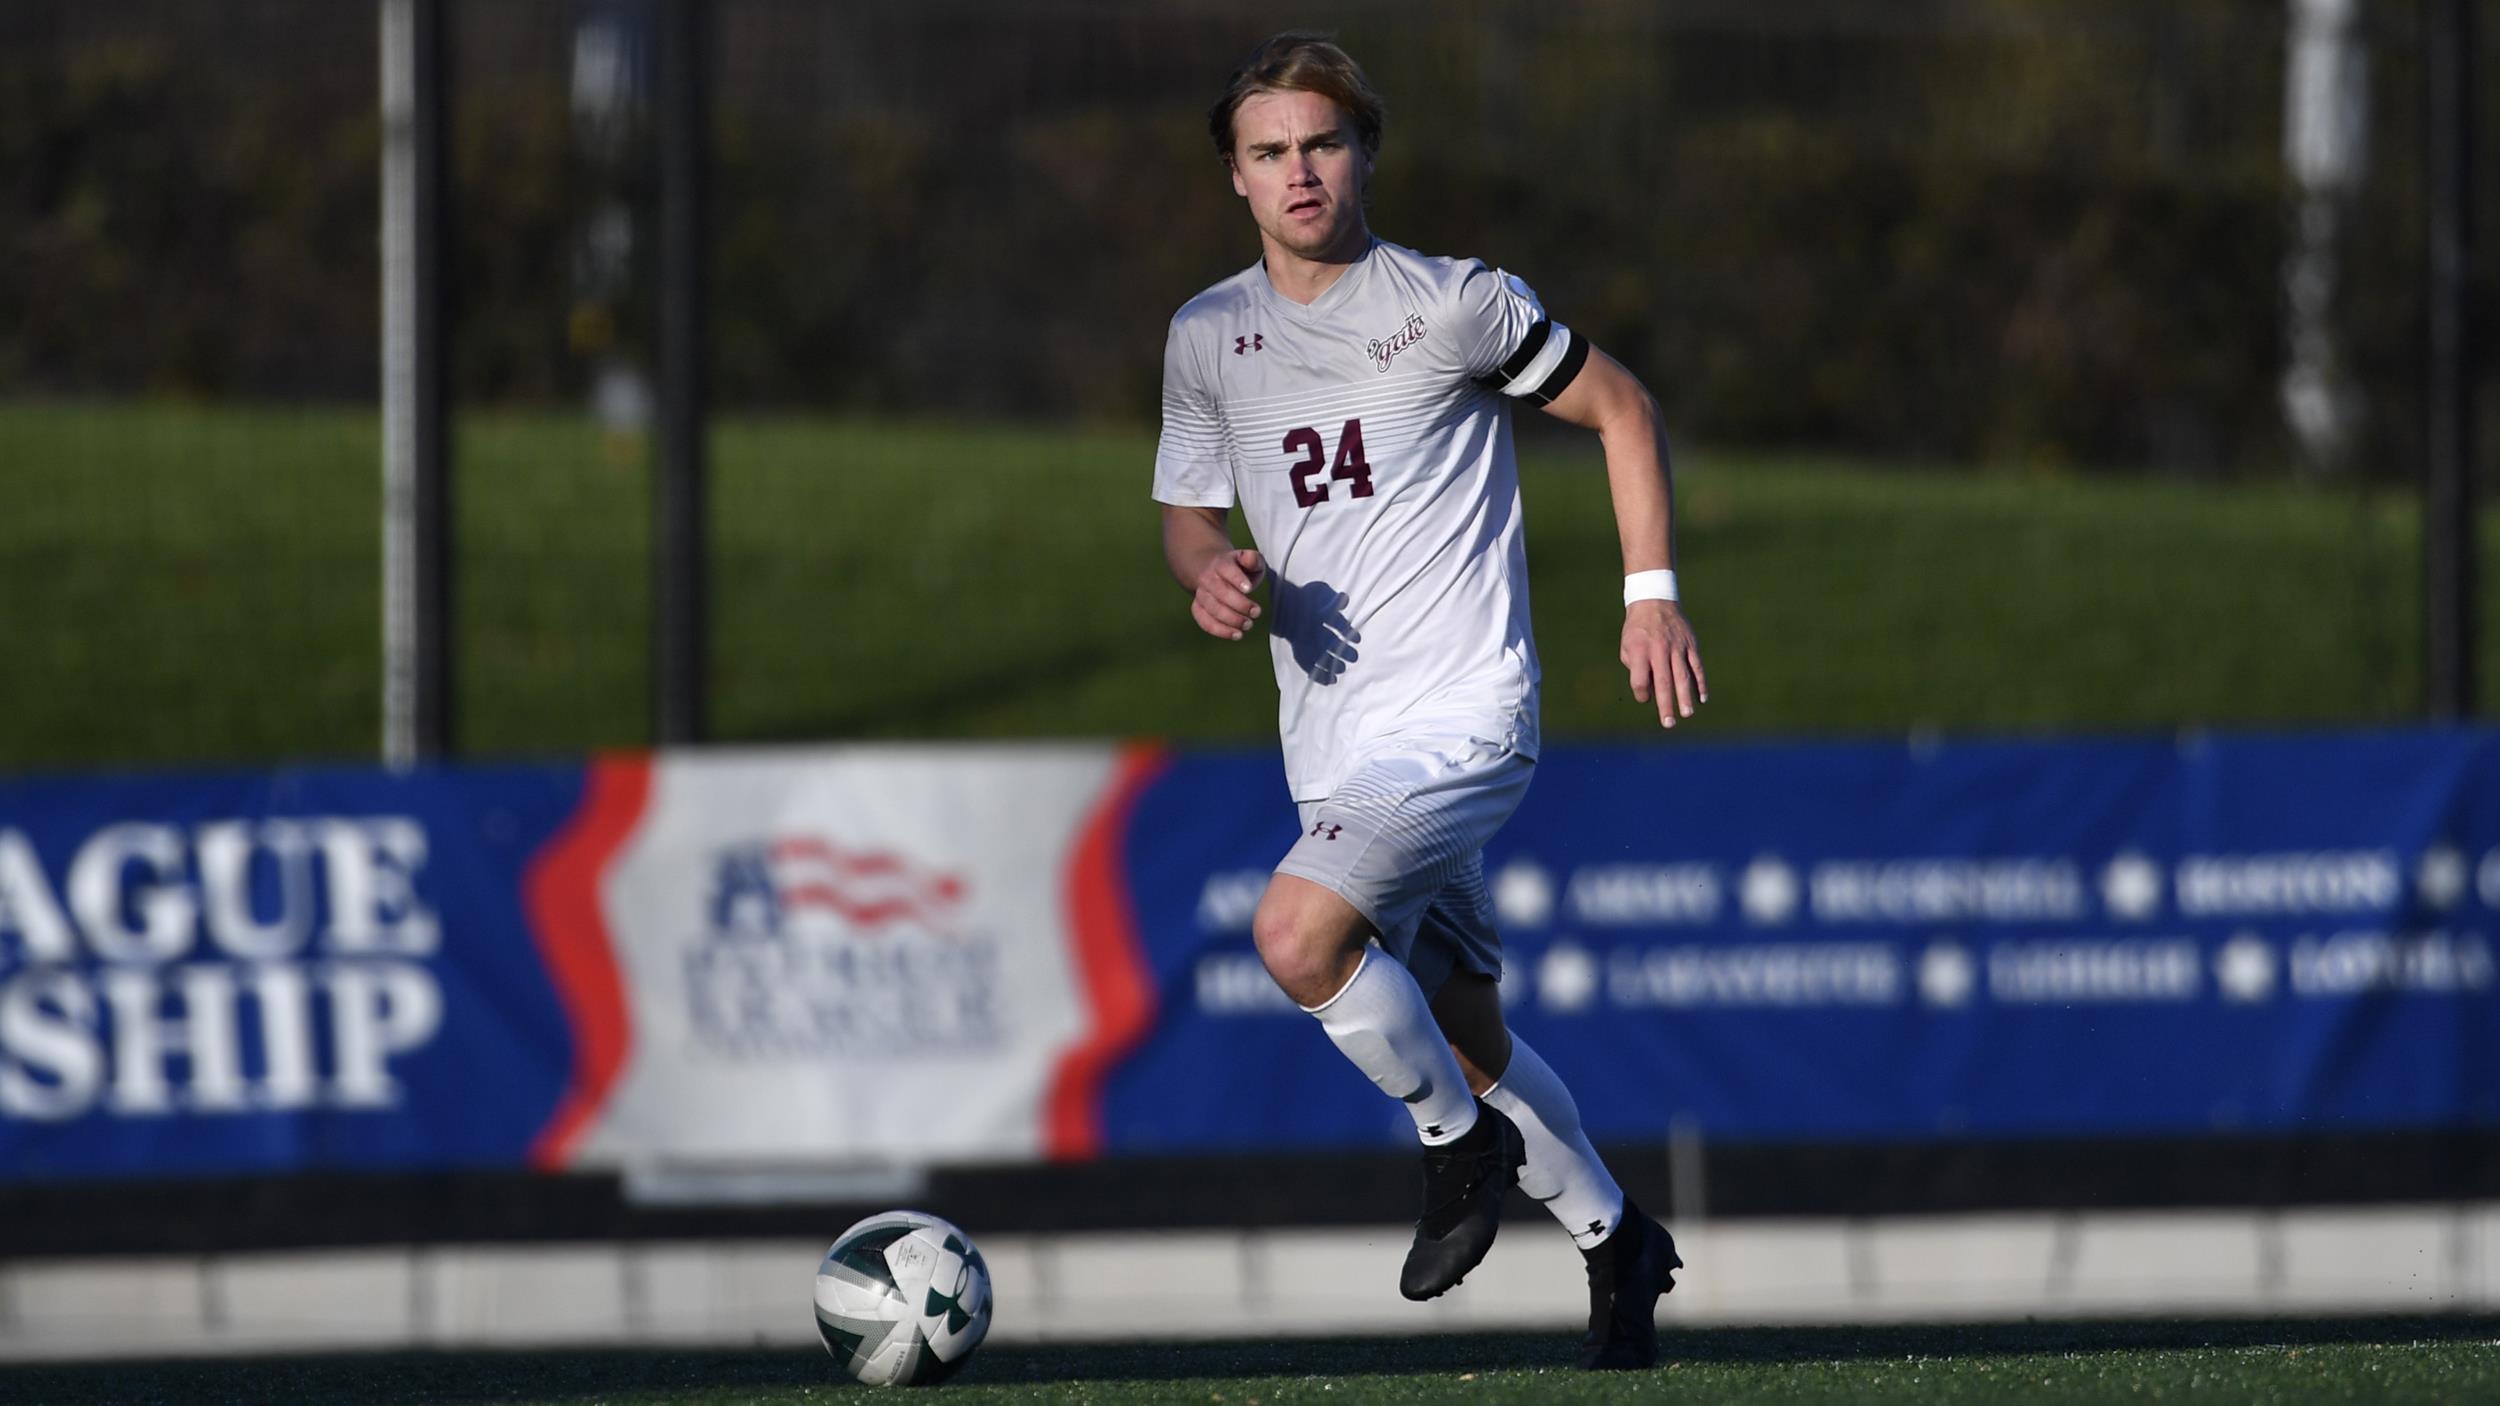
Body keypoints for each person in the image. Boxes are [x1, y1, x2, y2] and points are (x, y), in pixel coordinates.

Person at [1151, 32, 1707, 1370]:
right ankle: (1615, 1233)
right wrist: (1208, 570)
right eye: (1270, 151)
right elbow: (1183, 505)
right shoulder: (1207, 335)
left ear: (1366, 153)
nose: (1300, 171)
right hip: (1332, 750)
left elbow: (1622, 408)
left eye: (1323, 143)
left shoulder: (1454, 302)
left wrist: (1650, 590)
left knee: (1295, 935)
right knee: (1464, 1033)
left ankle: (1462, 1164)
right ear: (1235, 176)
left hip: (1464, 719)